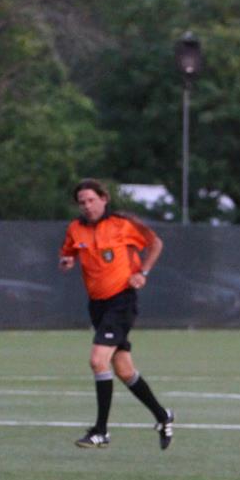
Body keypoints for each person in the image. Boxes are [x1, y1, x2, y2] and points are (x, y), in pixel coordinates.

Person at [58, 178, 174, 449]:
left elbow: (155, 243)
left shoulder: (122, 224)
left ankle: (101, 431)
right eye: (82, 202)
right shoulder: (76, 228)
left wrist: (142, 273)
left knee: (98, 361)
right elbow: (69, 253)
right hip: (97, 304)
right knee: (123, 369)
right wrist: (68, 260)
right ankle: (162, 415)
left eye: (91, 200)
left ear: (104, 199)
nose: (87, 206)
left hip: (121, 301)